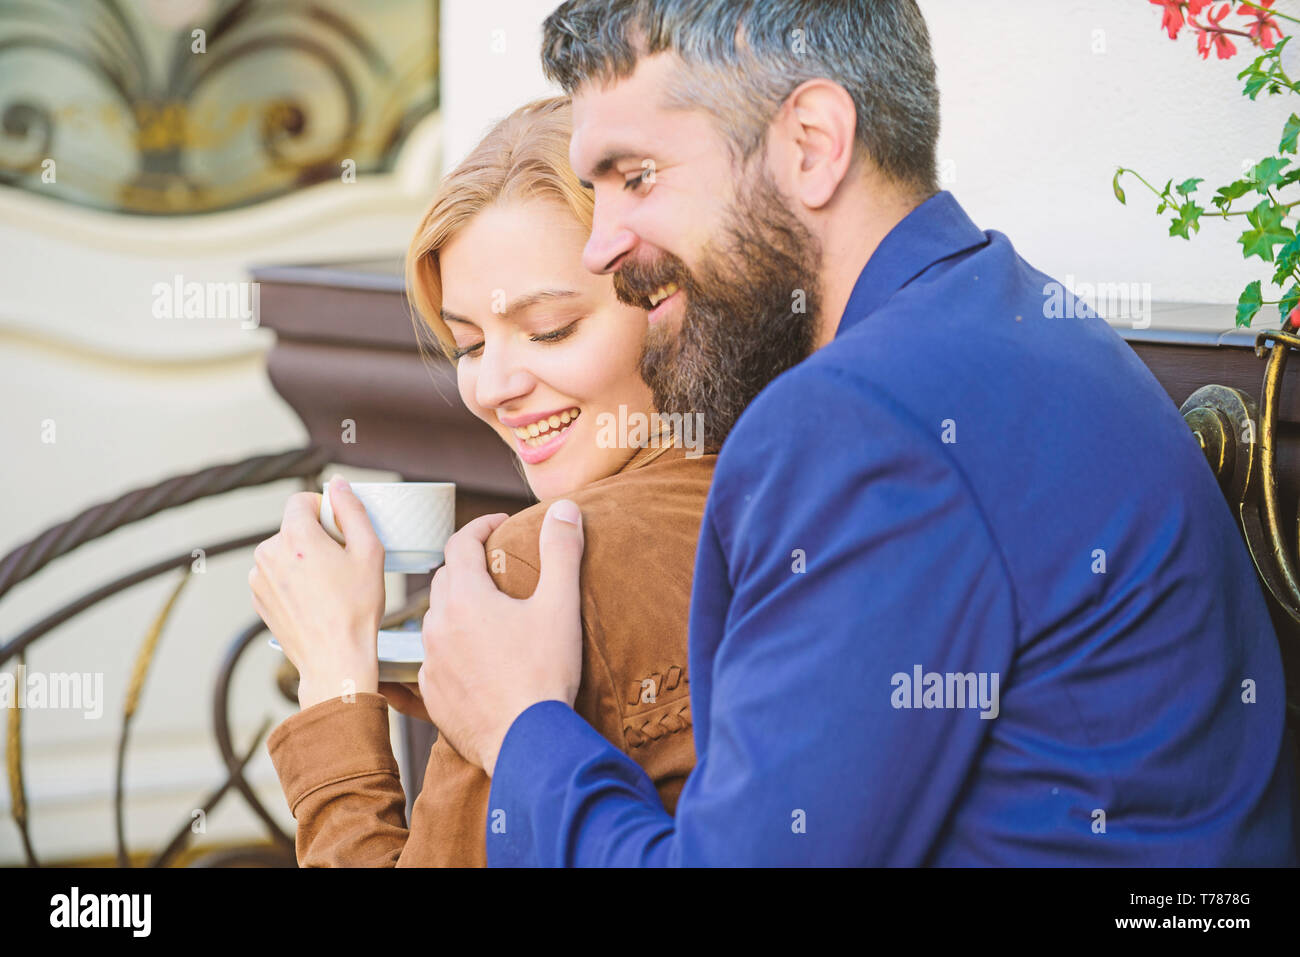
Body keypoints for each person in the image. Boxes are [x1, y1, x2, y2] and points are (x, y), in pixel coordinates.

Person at [413, 0, 1300, 865]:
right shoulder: (1004, 305)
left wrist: (521, 723)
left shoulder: (863, 420)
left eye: (636, 176)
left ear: (812, 145)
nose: (602, 245)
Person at [250, 97, 715, 866]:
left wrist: (333, 681)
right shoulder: (788, 481)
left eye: (550, 330)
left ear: (669, 302)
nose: (492, 386)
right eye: (467, 343)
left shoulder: (543, 566)